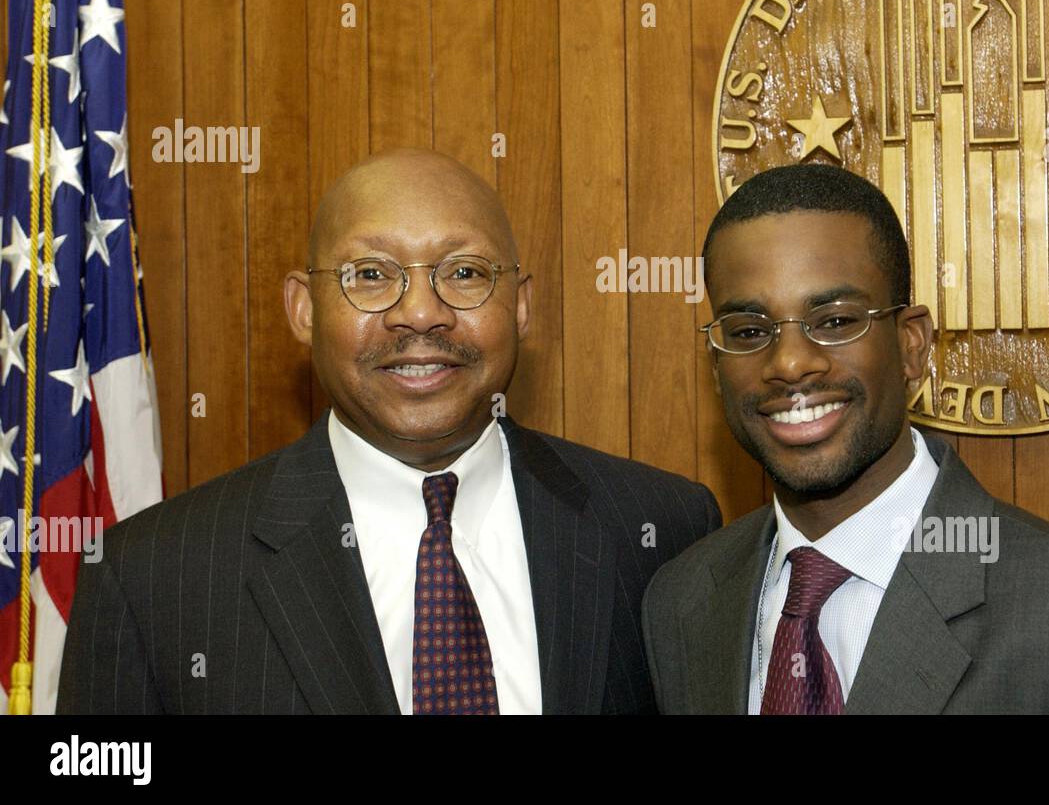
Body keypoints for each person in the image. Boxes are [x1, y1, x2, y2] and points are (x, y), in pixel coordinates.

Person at [57, 148, 720, 715]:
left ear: (519, 305)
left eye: (464, 273)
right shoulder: (150, 578)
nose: (422, 313)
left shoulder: (660, 531)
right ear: (304, 309)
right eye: (371, 275)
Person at [641, 163, 1049, 714]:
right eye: (749, 330)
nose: (790, 363)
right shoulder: (680, 603)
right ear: (716, 364)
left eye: (836, 321)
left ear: (912, 345)